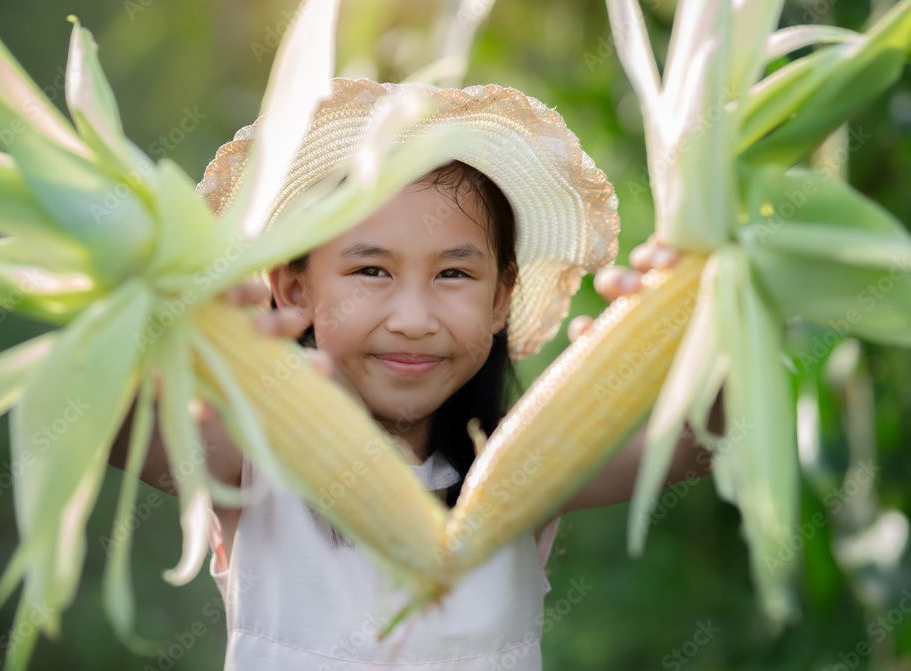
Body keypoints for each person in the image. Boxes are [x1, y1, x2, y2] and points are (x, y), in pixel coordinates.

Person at [112, 78, 711, 670]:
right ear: (295, 290)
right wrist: (164, 329)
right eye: (372, 271)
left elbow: (698, 443)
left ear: (501, 299)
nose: (414, 320)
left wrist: (694, 305)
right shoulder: (248, 458)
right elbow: (109, 419)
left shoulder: (522, 464)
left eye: (454, 275)